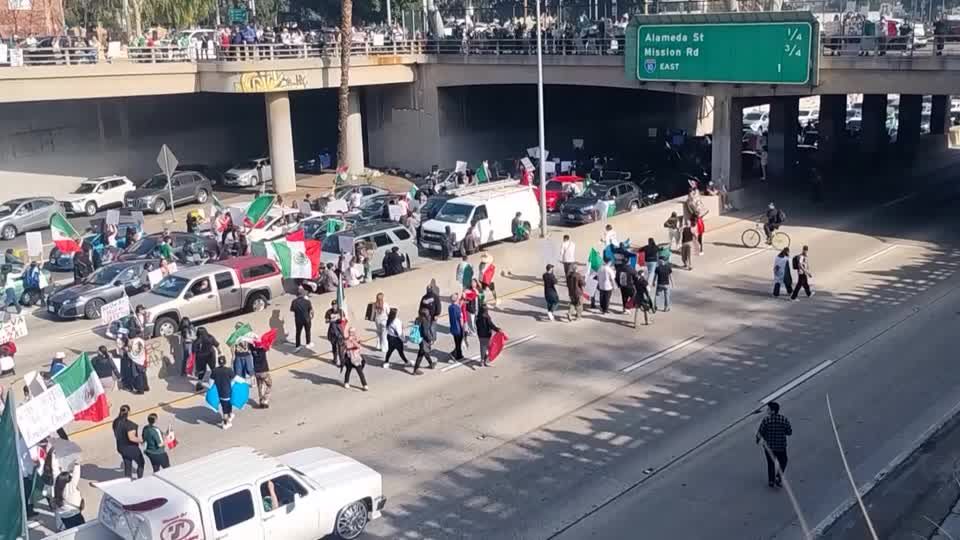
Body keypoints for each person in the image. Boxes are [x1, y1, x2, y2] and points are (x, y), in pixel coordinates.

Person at [756, 401, 792, 488]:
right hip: (781, 446)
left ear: (773, 411)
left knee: (770, 463)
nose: (767, 410)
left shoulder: (766, 420)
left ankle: (771, 481)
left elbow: (760, 432)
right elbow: (789, 432)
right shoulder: (783, 419)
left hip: (769, 447)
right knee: (783, 461)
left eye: (768, 409)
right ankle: (778, 477)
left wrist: (758, 440)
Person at [112, 405, 144, 479]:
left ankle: (128, 479)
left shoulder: (116, 422)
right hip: (131, 448)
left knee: (128, 463)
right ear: (129, 412)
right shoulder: (130, 425)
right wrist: (142, 440)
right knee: (141, 463)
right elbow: (132, 438)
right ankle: (140, 479)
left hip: (121, 447)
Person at [52, 463, 84, 531]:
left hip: (64, 517)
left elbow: (55, 472)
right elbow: (76, 475)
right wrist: (77, 464)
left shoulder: (57, 487)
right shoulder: (71, 487)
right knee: (82, 531)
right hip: (75, 514)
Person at [211, 356, 235, 429]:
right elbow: (234, 380)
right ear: (225, 362)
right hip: (228, 392)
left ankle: (230, 415)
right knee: (226, 410)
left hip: (219, 393)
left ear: (218, 362)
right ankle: (225, 423)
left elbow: (210, 382)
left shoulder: (215, 371)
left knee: (224, 406)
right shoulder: (229, 370)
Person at [476, 303, 500, 367]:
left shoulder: (478, 317)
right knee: (489, 347)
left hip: (480, 334)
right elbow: (491, 325)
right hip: (486, 334)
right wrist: (498, 329)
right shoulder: (487, 317)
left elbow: (477, 326)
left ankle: (482, 360)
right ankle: (486, 360)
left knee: (482, 347)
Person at [412, 309, 436, 374]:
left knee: (424, 352)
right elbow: (425, 332)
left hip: (419, 338)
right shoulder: (424, 320)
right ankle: (415, 369)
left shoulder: (417, 319)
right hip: (424, 339)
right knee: (421, 354)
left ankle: (431, 364)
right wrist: (430, 339)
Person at [252, 343, 272, 408]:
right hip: (264, 370)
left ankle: (261, 401)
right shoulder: (262, 349)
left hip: (257, 371)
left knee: (260, 386)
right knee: (269, 384)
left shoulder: (252, 348)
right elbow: (268, 347)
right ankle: (265, 400)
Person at [448, 293, 465, 360]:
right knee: (459, 343)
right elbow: (460, 319)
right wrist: (463, 327)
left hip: (453, 327)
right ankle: (456, 354)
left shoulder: (450, 307)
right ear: (457, 299)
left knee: (457, 342)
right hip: (458, 328)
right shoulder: (457, 308)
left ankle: (458, 354)